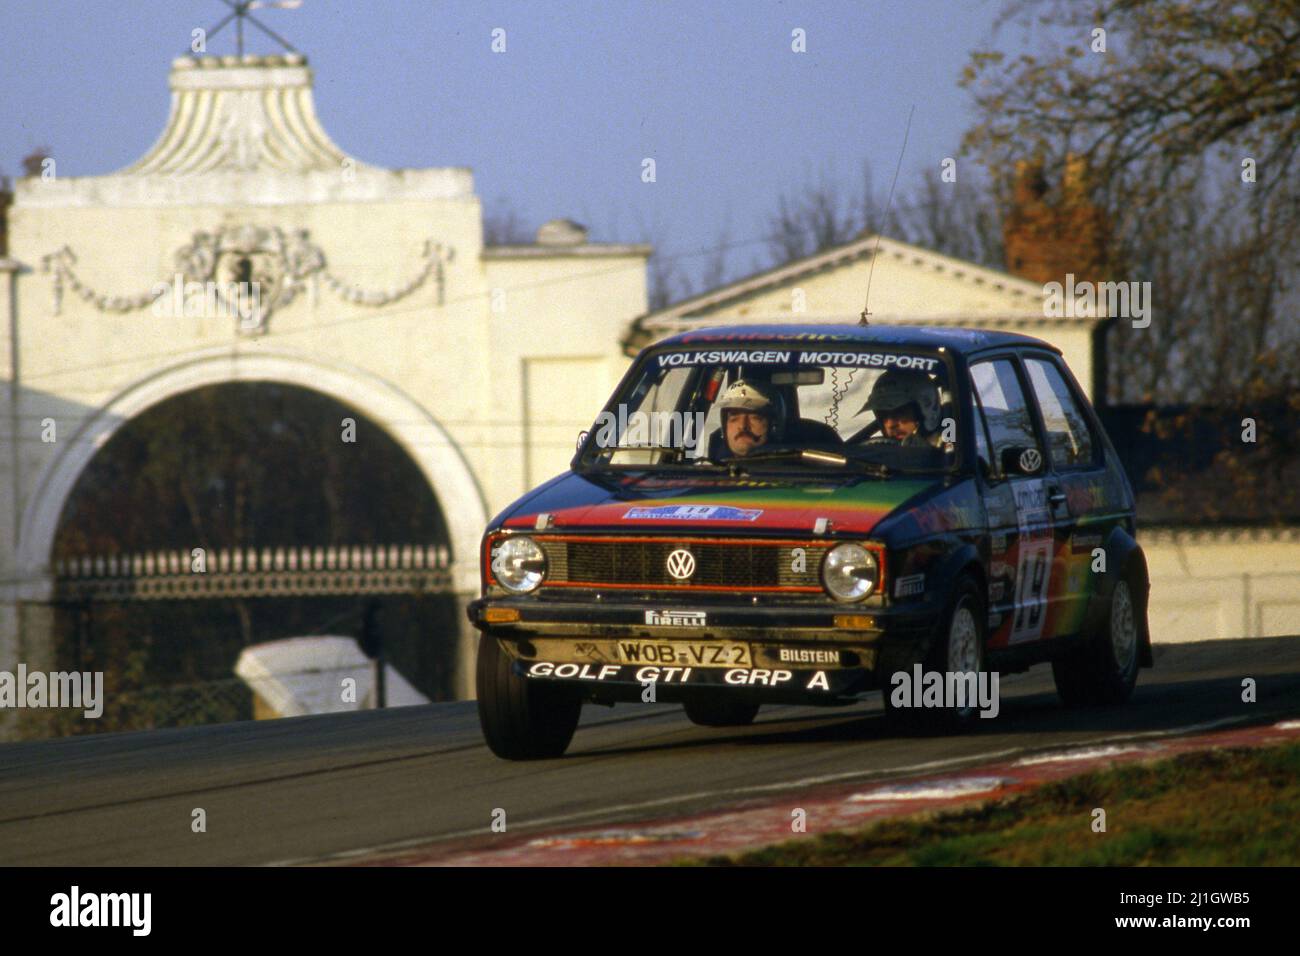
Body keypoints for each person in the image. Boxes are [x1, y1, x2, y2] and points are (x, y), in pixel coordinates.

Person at [862, 368, 946, 448]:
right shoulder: (881, 454)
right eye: (883, 415)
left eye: (899, 412)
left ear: (926, 408)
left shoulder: (952, 450)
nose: (890, 424)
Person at [717, 379, 784, 457]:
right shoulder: (707, 467)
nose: (743, 426)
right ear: (724, 427)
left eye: (755, 418)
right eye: (734, 418)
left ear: (774, 425)